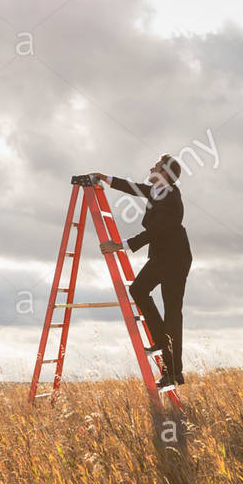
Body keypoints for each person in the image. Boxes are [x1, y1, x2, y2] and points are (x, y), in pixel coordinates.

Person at [92, 155, 192, 388]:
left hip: (176, 260)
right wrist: (106, 178)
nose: (151, 167)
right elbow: (135, 188)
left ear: (164, 173)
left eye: (156, 166)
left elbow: (154, 233)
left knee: (172, 315)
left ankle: (173, 373)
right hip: (160, 256)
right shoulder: (158, 191)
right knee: (138, 290)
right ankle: (159, 339)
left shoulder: (171, 199)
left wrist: (120, 245)